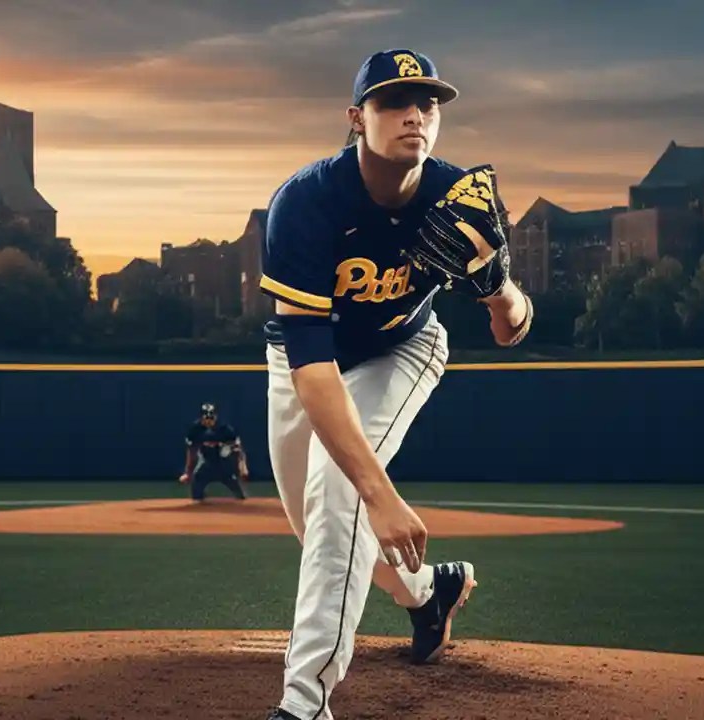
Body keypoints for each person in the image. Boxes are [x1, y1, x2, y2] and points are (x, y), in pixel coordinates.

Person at [258, 49, 534, 720]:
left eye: (428, 103)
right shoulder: (305, 203)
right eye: (392, 101)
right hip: (304, 367)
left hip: (401, 349)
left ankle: (304, 704)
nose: (415, 114)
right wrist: (380, 494)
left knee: (338, 497)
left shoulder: (457, 197)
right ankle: (429, 595)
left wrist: (497, 286)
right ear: (357, 118)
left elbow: (512, 329)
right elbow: (312, 363)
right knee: (325, 516)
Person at [179, 402, 249, 502]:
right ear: (201, 418)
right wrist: (188, 473)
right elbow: (191, 452)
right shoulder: (195, 430)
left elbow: (239, 449)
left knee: (240, 495)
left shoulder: (226, 429)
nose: (209, 421)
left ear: (216, 417)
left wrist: (243, 467)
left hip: (224, 464)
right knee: (196, 490)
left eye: (212, 418)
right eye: (206, 418)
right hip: (206, 463)